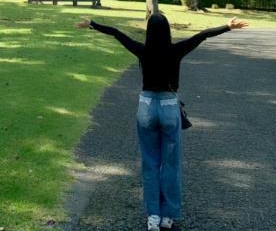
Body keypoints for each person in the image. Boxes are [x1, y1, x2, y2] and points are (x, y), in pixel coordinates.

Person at [76, 13, 248, 231]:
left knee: (150, 163)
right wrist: (227, 26)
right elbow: (202, 35)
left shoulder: (142, 50)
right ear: (167, 31)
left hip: (146, 107)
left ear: (149, 31)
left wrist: (92, 24)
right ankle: (168, 216)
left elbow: (117, 34)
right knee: (170, 164)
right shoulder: (176, 50)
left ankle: (153, 217)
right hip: (169, 107)